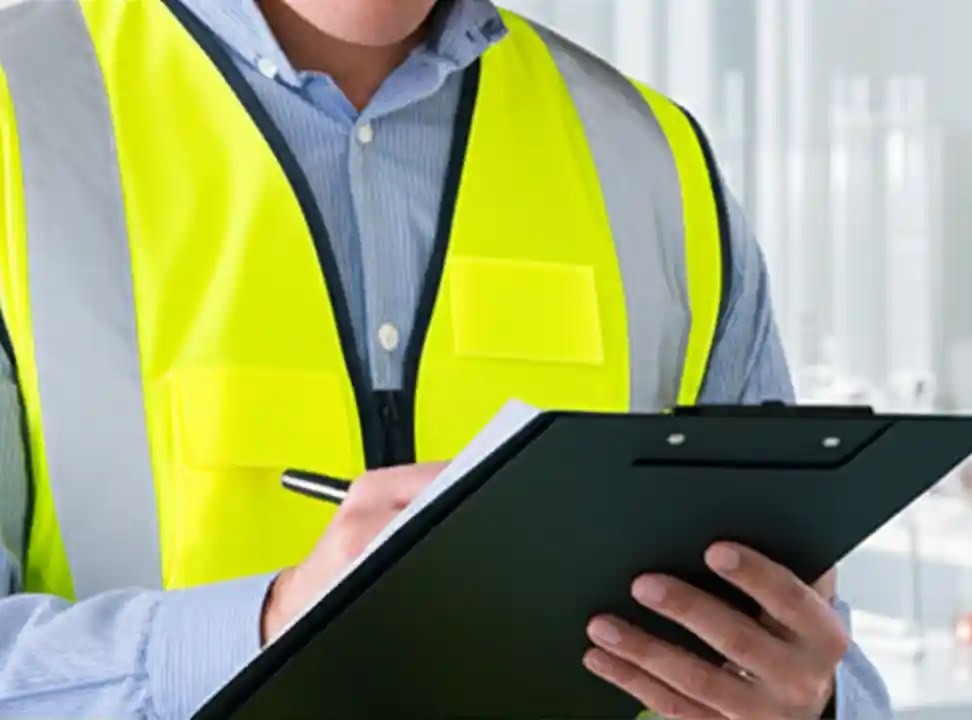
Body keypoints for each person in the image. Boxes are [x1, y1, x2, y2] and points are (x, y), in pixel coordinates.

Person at [0, 0, 892, 717]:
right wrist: (256, 633)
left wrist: (804, 707)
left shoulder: (659, 165)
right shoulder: (18, 115)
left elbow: (815, 658)